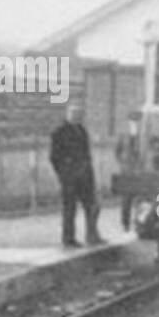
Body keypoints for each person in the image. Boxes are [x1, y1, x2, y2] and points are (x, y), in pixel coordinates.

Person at [50, 104, 102, 247]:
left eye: (79, 114)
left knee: (91, 206)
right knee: (69, 209)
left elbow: (87, 155)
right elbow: (54, 157)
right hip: (70, 178)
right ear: (67, 114)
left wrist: (89, 173)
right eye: (74, 113)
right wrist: (64, 174)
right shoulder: (59, 132)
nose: (77, 116)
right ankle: (68, 239)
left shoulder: (82, 131)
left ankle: (92, 235)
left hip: (85, 177)